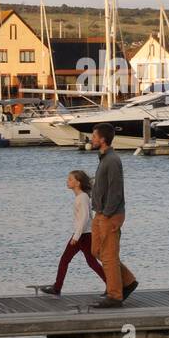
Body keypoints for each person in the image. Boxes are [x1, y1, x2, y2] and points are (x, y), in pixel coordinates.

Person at [88, 122, 139, 307]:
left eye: (94, 136)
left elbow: (116, 191)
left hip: (110, 214)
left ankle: (115, 296)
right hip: (100, 213)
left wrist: (109, 213)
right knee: (97, 251)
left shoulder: (112, 160)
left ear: (102, 139)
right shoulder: (103, 158)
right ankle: (128, 281)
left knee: (109, 255)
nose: (91, 139)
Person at [40, 170, 105, 296]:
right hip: (84, 234)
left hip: (83, 235)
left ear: (78, 182)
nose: (67, 181)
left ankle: (57, 288)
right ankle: (111, 286)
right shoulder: (81, 197)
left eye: (70, 179)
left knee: (66, 260)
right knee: (90, 262)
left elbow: (85, 217)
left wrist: (76, 236)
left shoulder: (83, 198)